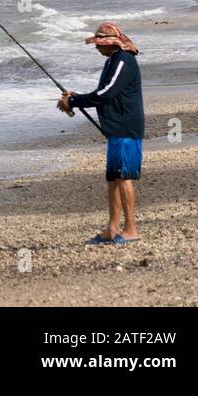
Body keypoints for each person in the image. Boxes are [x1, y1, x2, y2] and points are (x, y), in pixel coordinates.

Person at [57, 23, 144, 245]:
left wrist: (74, 101)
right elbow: (104, 93)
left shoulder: (123, 60)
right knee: (114, 179)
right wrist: (75, 97)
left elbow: (106, 93)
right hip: (116, 128)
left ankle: (131, 229)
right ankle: (112, 229)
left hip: (126, 128)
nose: (97, 48)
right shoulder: (112, 61)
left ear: (111, 43)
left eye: (100, 44)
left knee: (124, 178)